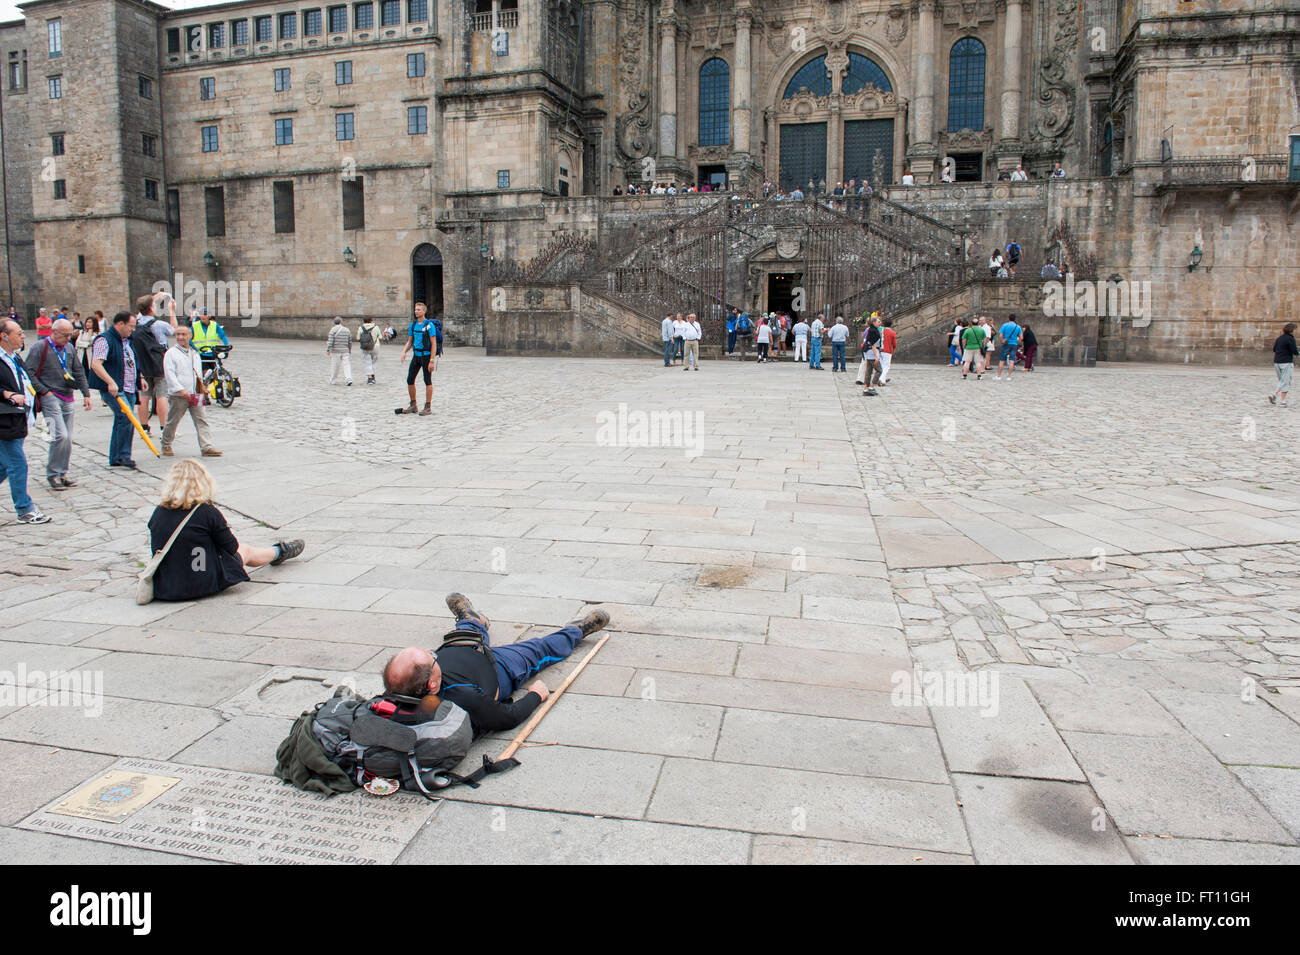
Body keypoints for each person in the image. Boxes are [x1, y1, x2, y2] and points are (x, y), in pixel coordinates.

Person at [382, 594, 609, 736]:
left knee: (466, 632)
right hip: (499, 667)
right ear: (432, 685)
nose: (433, 654)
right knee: (541, 649)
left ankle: (472, 620)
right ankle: (577, 630)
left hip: (461, 647)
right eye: (432, 657)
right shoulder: (463, 698)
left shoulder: (398, 690)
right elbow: (507, 717)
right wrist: (535, 695)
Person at [147, 460, 304, 601]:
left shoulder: (159, 512)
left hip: (167, 587)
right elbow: (232, 548)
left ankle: (279, 551)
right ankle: (279, 551)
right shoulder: (206, 512)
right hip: (201, 581)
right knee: (245, 550)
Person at [26, 318, 93, 489]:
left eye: (70, 335)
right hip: (50, 397)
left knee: (68, 438)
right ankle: (53, 474)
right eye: (65, 335)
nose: (68, 339)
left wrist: (86, 393)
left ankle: (63, 472)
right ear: (53, 332)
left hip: (67, 396)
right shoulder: (40, 347)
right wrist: (44, 391)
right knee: (59, 435)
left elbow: (78, 370)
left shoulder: (69, 348)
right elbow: (29, 372)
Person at [0, 319, 51, 523]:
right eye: (19, 333)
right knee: (17, 464)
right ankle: (25, 509)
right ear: (4, 336)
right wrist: (6, 394)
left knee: (4, 466)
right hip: (5, 420)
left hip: (19, 418)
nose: (23, 336)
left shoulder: (14, 357)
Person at [90, 311, 142, 468]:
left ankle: (116, 457)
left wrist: (141, 379)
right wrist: (110, 382)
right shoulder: (104, 340)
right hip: (115, 388)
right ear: (120, 324)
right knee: (127, 418)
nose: (132, 329)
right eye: (130, 326)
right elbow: (96, 364)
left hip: (129, 386)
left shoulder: (127, 341)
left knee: (122, 420)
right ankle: (124, 456)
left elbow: (132, 361)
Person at [161, 324, 222, 457]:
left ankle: (206, 446)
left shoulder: (194, 353)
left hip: (195, 393)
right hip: (179, 394)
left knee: (201, 419)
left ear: (190, 336)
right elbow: (169, 374)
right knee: (173, 421)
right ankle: (166, 444)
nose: (180, 337)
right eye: (178, 334)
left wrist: (200, 387)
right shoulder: (171, 353)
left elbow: (198, 372)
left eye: (183, 334)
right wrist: (180, 389)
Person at [131, 294, 174, 434]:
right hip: (159, 363)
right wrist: (172, 312)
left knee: (144, 396)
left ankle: (144, 427)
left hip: (142, 364)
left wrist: (153, 298)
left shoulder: (136, 323)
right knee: (161, 395)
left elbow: (141, 310)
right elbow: (174, 330)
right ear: (151, 308)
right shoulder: (159, 325)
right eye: (154, 305)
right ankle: (163, 428)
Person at [397, 302, 440, 415]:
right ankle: (413, 405)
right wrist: (404, 352)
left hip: (426, 356)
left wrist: (431, 360)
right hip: (416, 356)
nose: (416, 311)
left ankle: (428, 406)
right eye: (415, 309)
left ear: (424, 311)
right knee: (410, 379)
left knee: (427, 381)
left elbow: (434, 344)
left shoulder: (429, 325)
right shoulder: (413, 324)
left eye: (419, 310)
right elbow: (410, 341)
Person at [191, 310, 230, 378]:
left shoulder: (215, 325)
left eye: (205, 314)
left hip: (213, 353)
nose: (203, 316)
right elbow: (188, 338)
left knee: (215, 373)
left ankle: (215, 386)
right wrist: (194, 347)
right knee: (206, 372)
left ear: (209, 316)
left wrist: (226, 345)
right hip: (200, 353)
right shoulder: (195, 325)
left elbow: (222, 335)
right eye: (201, 314)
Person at [1269, 321, 1298, 407]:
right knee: (1285, 381)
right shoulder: (1290, 339)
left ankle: (1283, 401)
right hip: (1286, 362)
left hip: (1277, 362)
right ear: (1291, 330)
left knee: (1283, 381)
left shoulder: (1279, 338)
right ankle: (1274, 394)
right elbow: (1294, 351)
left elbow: (1274, 349)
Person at [326, 317, 353, 386]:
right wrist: (349, 349)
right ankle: (348, 378)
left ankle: (333, 380)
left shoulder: (333, 330)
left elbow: (330, 341)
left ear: (334, 322)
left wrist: (328, 349)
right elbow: (349, 341)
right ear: (341, 322)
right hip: (345, 350)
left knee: (335, 365)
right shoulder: (347, 330)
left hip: (336, 351)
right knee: (346, 365)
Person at [996, 313, 1022, 380]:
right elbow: (1021, 337)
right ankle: (1009, 376)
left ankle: (999, 376)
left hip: (1006, 344)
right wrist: (1017, 341)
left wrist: (1003, 340)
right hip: (1014, 344)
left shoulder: (1004, 325)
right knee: (1012, 360)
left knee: (1002, 360)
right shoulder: (1018, 327)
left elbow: (1001, 335)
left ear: (1008, 318)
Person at [357, 316, 382, 384]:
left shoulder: (361, 328)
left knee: (367, 361)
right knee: (374, 361)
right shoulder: (376, 327)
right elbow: (380, 337)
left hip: (365, 346)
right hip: (375, 346)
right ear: (371, 320)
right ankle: (373, 376)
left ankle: (369, 378)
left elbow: (358, 338)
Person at [860, 316, 881, 394]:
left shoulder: (871, 330)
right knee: (879, 370)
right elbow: (873, 344)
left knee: (868, 371)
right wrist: (876, 356)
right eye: (878, 322)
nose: (880, 323)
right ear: (874, 322)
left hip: (869, 353)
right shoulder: (873, 331)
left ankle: (866, 388)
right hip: (872, 353)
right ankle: (871, 387)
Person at [78, 312, 102, 380]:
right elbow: (78, 343)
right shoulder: (82, 332)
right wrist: (87, 344)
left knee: (90, 369)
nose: (88, 324)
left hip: (91, 354)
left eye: (90, 322)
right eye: (87, 322)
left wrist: (90, 334)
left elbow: (93, 341)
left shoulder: (97, 333)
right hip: (82, 353)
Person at [878, 317, 897, 386]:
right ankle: (881, 379)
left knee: (882, 365)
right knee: (887, 366)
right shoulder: (892, 333)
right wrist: (894, 349)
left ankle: (882, 380)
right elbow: (894, 344)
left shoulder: (880, 330)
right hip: (888, 350)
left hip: (880, 350)